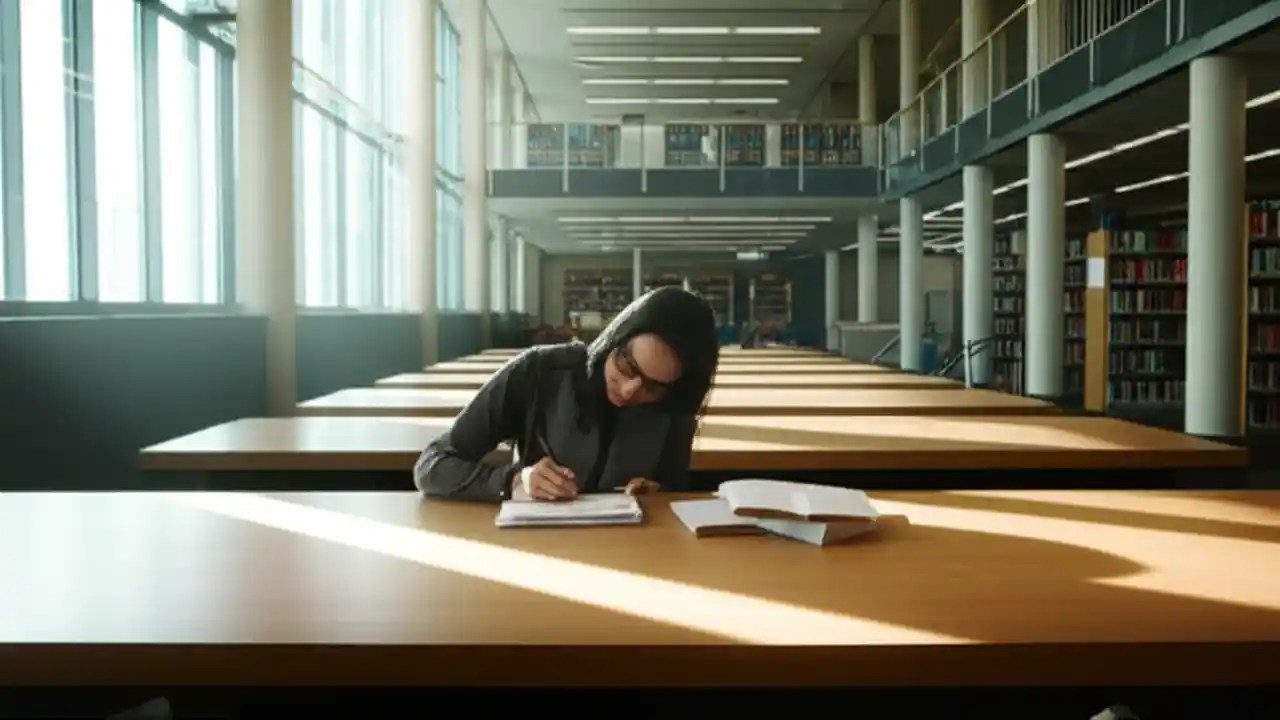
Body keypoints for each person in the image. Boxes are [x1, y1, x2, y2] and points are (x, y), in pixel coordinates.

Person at [414, 286, 720, 502]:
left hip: (630, 558)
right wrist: (513, 481)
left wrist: (659, 494)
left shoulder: (674, 408)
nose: (629, 391)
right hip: (536, 553)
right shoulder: (537, 371)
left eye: (652, 387)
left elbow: (673, 487)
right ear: (615, 337)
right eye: (627, 364)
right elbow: (432, 465)